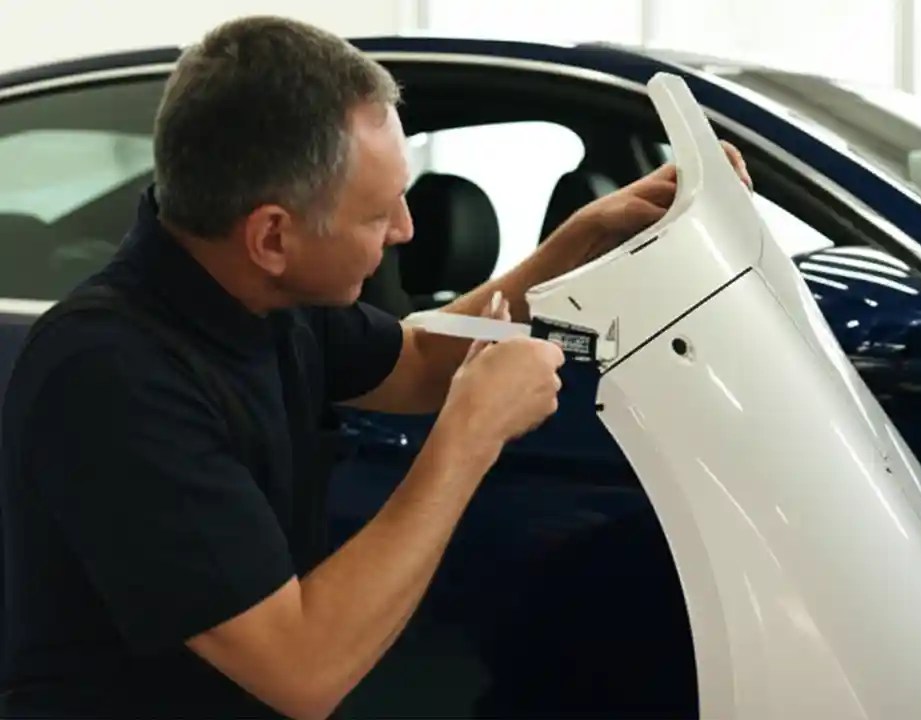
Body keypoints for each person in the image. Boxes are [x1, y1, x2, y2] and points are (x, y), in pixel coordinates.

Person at [0, 14, 750, 719]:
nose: (406, 228)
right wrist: (470, 433)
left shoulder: (266, 299)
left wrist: (583, 236)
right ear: (271, 236)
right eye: (378, 212)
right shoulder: (113, 376)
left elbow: (422, 358)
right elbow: (303, 671)